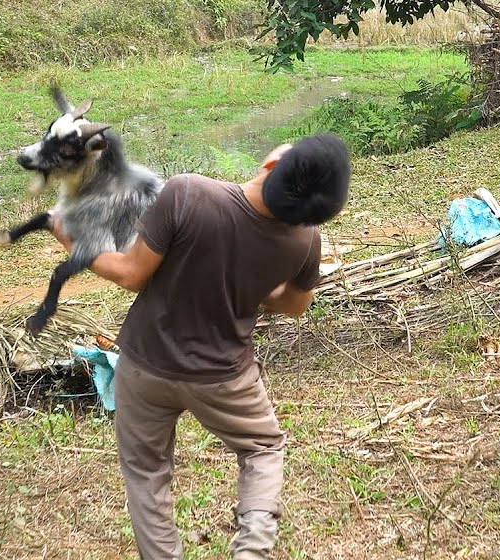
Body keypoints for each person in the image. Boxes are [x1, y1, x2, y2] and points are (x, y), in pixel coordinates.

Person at [53, 134, 352, 560]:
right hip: (224, 377)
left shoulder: (188, 192)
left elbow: (130, 274)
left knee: (147, 473)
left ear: (270, 166)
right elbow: (294, 305)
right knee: (262, 448)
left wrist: (72, 242)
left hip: (145, 365)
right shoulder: (305, 242)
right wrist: (255, 282)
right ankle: (251, 548)